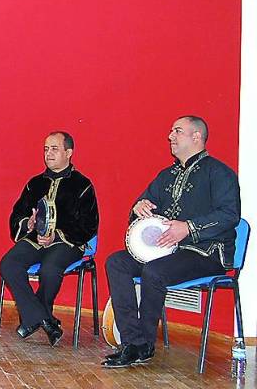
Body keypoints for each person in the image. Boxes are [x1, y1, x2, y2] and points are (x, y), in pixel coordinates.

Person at [102, 116, 240, 368]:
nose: (170, 136)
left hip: (206, 253)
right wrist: (139, 207)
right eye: (170, 131)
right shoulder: (166, 176)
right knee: (117, 262)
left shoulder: (219, 173)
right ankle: (132, 342)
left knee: (154, 271)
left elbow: (230, 215)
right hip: (167, 252)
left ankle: (143, 344)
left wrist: (187, 228)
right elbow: (142, 206)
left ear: (196, 136)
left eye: (177, 131)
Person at [0, 131, 99, 346]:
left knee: (50, 268)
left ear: (68, 152)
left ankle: (34, 318)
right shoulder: (34, 184)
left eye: (54, 149)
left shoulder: (82, 185)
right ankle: (46, 320)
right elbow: (17, 215)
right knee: (8, 264)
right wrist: (29, 224)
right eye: (46, 149)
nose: (48, 153)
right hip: (35, 240)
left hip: (67, 242)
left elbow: (89, 225)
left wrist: (57, 235)